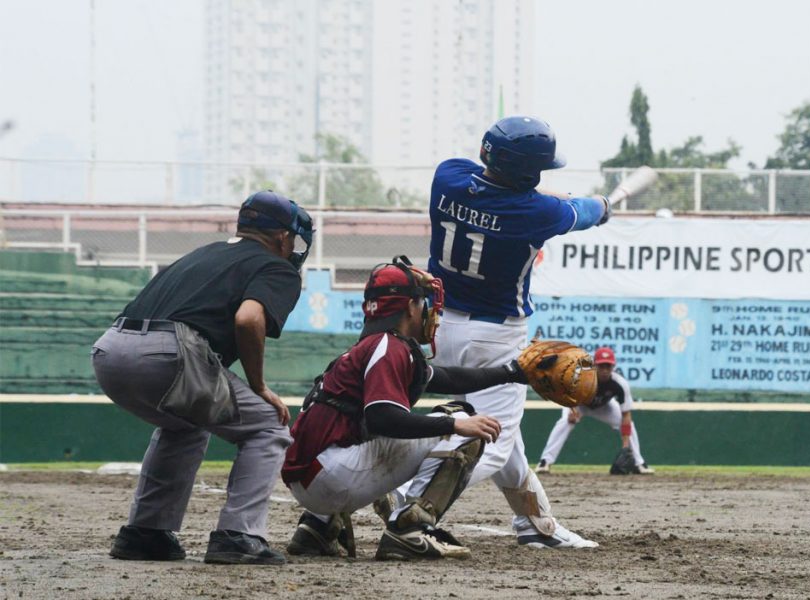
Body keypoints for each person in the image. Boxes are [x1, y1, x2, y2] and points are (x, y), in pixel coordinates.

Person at [91, 190, 313, 565]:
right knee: (269, 427)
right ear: (282, 237)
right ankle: (238, 536)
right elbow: (248, 319)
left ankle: (146, 533)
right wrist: (258, 386)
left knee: (185, 423)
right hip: (167, 355)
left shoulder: (205, 253)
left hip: (110, 350)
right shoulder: (277, 266)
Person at [422, 115, 611, 549]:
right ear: (529, 171)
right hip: (495, 336)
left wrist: (543, 192)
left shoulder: (448, 176)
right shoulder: (537, 212)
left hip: (438, 328)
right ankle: (407, 504)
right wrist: (602, 205)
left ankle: (536, 524)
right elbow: (583, 212)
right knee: (496, 442)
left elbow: (504, 192)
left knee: (508, 435)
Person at [281, 257, 527, 560]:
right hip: (333, 475)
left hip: (310, 479)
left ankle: (316, 529)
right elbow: (383, 417)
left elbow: (448, 377)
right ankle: (410, 528)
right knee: (462, 421)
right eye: (422, 302)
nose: (428, 310)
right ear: (410, 307)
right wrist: (454, 426)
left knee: (446, 418)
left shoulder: (371, 346)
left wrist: (512, 372)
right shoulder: (389, 347)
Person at [536, 347, 654, 475]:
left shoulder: (619, 383)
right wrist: (573, 409)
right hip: (579, 404)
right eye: (601, 366)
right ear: (594, 365)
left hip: (604, 406)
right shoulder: (581, 376)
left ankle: (639, 463)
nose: (604, 370)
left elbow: (626, 415)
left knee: (628, 424)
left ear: (613, 367)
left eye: (608, 366)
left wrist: (625, 446)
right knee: (565, 422)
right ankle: (545, 462)